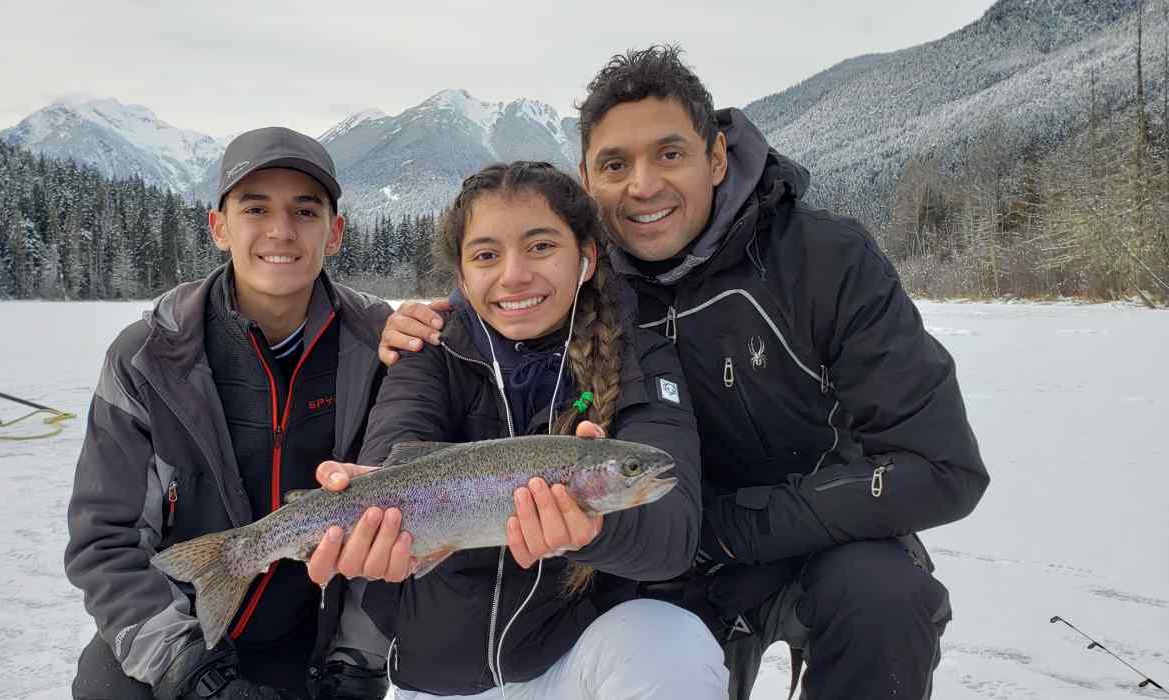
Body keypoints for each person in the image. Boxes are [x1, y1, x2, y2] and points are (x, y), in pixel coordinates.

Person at [380, 46, 989, 699]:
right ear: (588, 178)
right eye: (616, 164)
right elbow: (504, 299)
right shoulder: (582, 279)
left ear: (717, 157)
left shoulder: (822, 260)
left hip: (813, 540)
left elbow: (942, 470)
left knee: (884, 597)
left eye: (669, 154)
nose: (643, 185)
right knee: (659, 648)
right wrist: (423, 326)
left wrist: (721, 530)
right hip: (666, 570)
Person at [319, 161, 728, 699]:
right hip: (435, 682)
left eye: (540, 247)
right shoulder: (427, 351)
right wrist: (366, 515)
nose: (514, 275)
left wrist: (595, 532)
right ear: (463, 278)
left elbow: (672, 536)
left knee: (672, 643)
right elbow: (392, 455)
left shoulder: (640, 358)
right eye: (487, 255)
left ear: (585, 259)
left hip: (571, 667)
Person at [65, 127, 397, 700]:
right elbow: (105, 541)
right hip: (173, 639)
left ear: (335, 232)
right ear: (219, 227)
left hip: (316, 647)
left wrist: (357, 664)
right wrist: (196, 678)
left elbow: (405, 520)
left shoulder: (380, 350)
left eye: (305, 210)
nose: (281, 231)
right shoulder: (147, 358)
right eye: (255, 208)